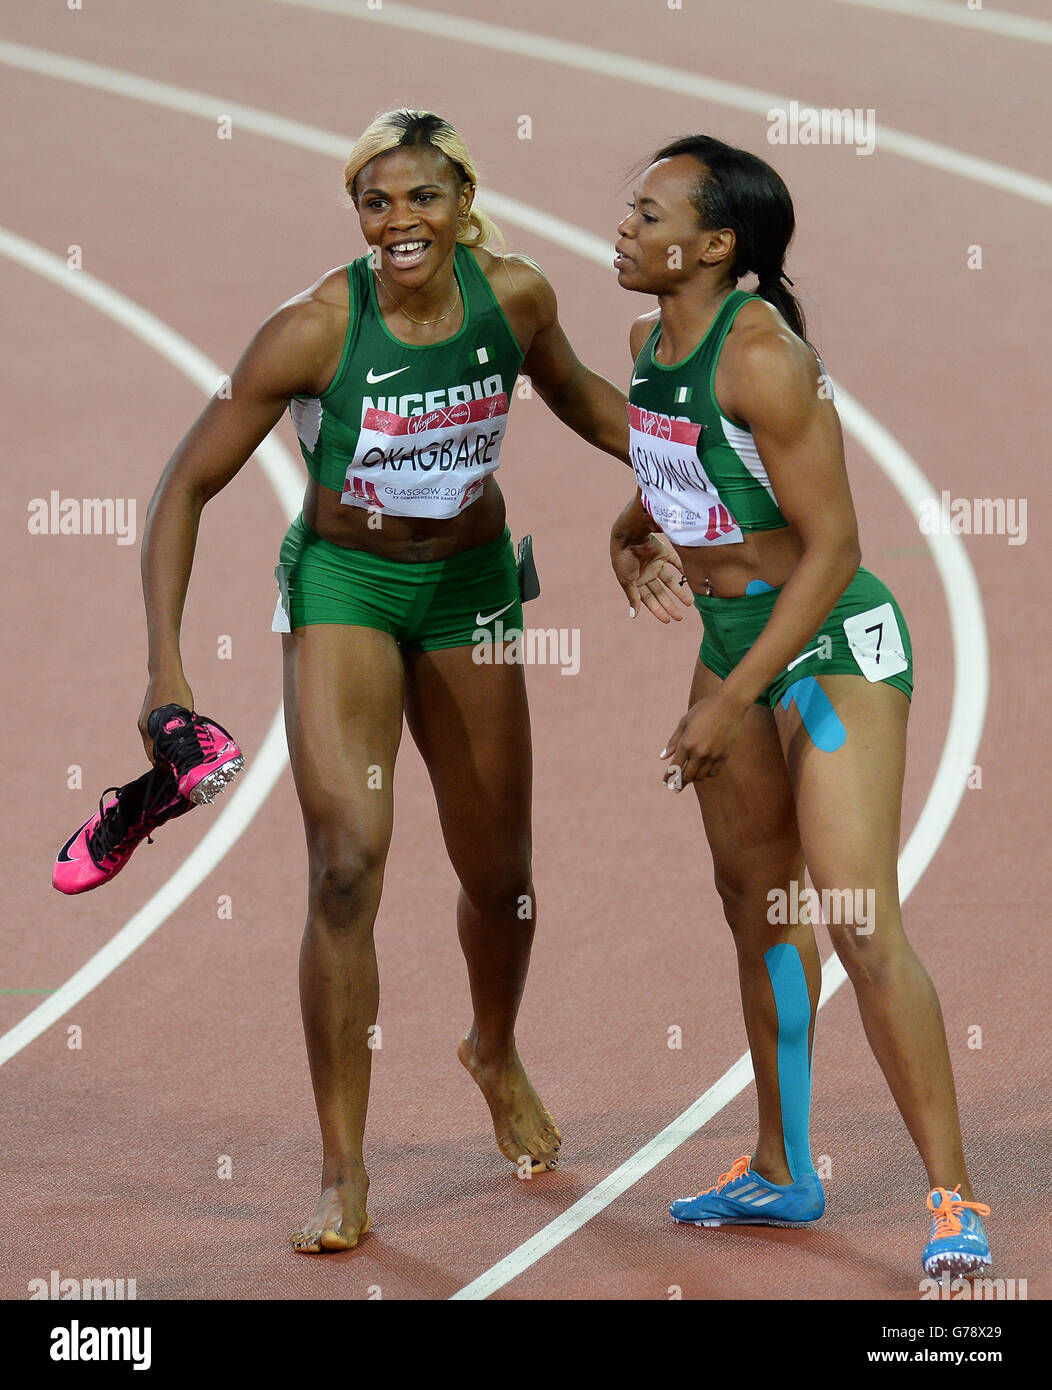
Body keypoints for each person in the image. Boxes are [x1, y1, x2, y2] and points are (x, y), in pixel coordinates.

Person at [137, 108, 679, 1253]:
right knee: (345, 866)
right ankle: (344, 1170)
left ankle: (492, 1045)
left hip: (471, 587)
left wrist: (686, 470)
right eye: (375, 203)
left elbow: (580, 392)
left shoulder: (513, 297)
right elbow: (184, 485)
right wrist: (167, 672)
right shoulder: (312, 331)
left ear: (461, 203)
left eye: (419, 199)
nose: (397, 221)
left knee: (502, 874)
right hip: (348, 587)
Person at [609, 135, 991, 1277]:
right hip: (735, 640)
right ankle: (782, 1167)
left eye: (646, 211)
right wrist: (629, 534)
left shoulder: (763, 354)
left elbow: (833, 548)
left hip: (827, 640)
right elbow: (677, 458)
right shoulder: (646, 342)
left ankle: (951, 1199)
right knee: (755, 904)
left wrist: (729, 699)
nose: (622, 225)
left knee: (857, 917)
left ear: (715, 246)